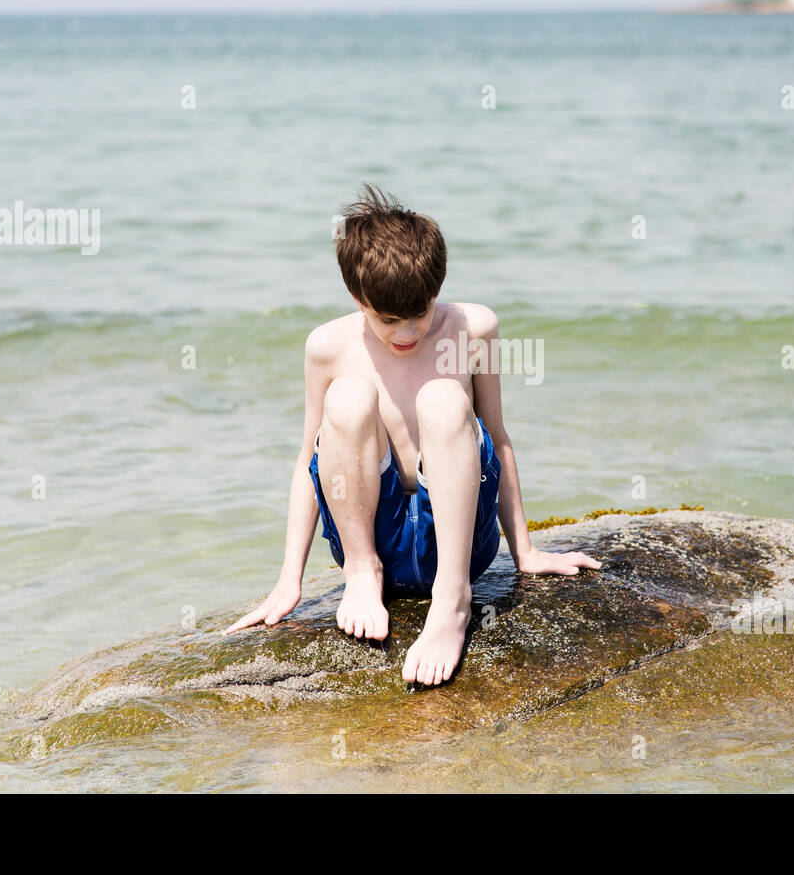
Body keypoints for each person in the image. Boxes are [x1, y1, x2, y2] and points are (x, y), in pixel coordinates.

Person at [224, 185, 601, 685]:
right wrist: (288, 580)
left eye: (419, 314)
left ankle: (452, 602)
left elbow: (496, 438)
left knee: (443, 400)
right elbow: (307, 461)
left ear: (436, 291)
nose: (407, 333)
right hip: (372, 539)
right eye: (388, 320)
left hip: (460, 543)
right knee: (348, 399)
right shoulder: (328, 346)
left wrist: (524, 552)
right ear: (359, 300)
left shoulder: (473, 328)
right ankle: (364, 576)